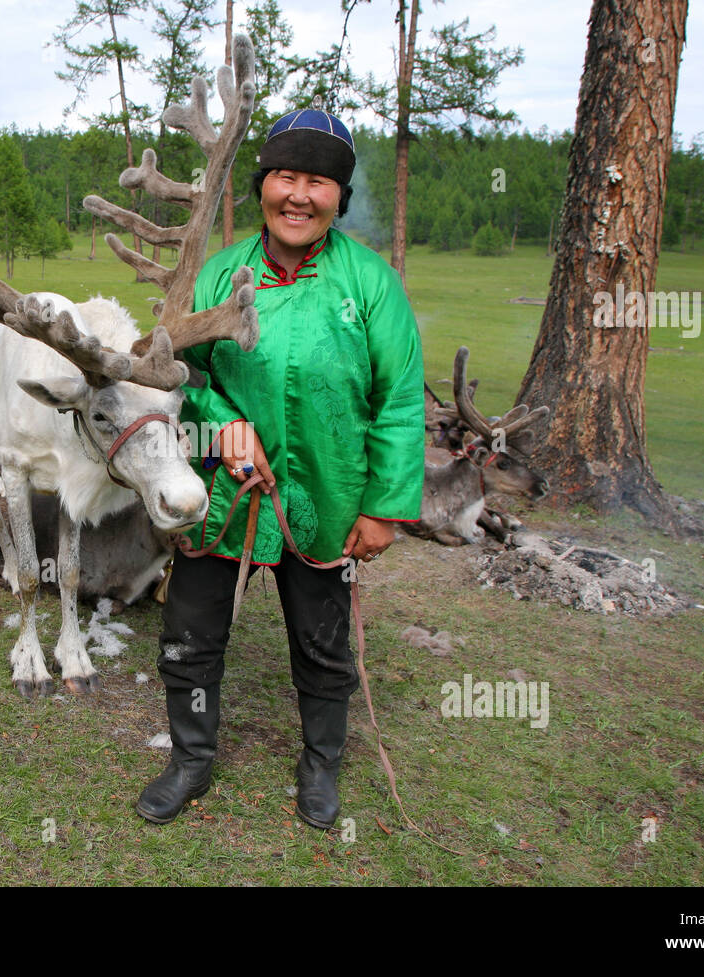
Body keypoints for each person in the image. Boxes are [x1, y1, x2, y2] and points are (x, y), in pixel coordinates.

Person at [136, 107, 426, 829]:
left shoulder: (372, 287)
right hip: (222, 494)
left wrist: (383, 506)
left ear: (339, 197)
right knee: (189, 635)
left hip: (328, 498)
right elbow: (173, 376)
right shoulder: (218, 275)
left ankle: (321, 764)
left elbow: (398, 402)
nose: (300, 196)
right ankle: (191, 759)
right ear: (264, 185)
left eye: (318, 183)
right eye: (286, 177)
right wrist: (221, 423)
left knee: (324, 647)